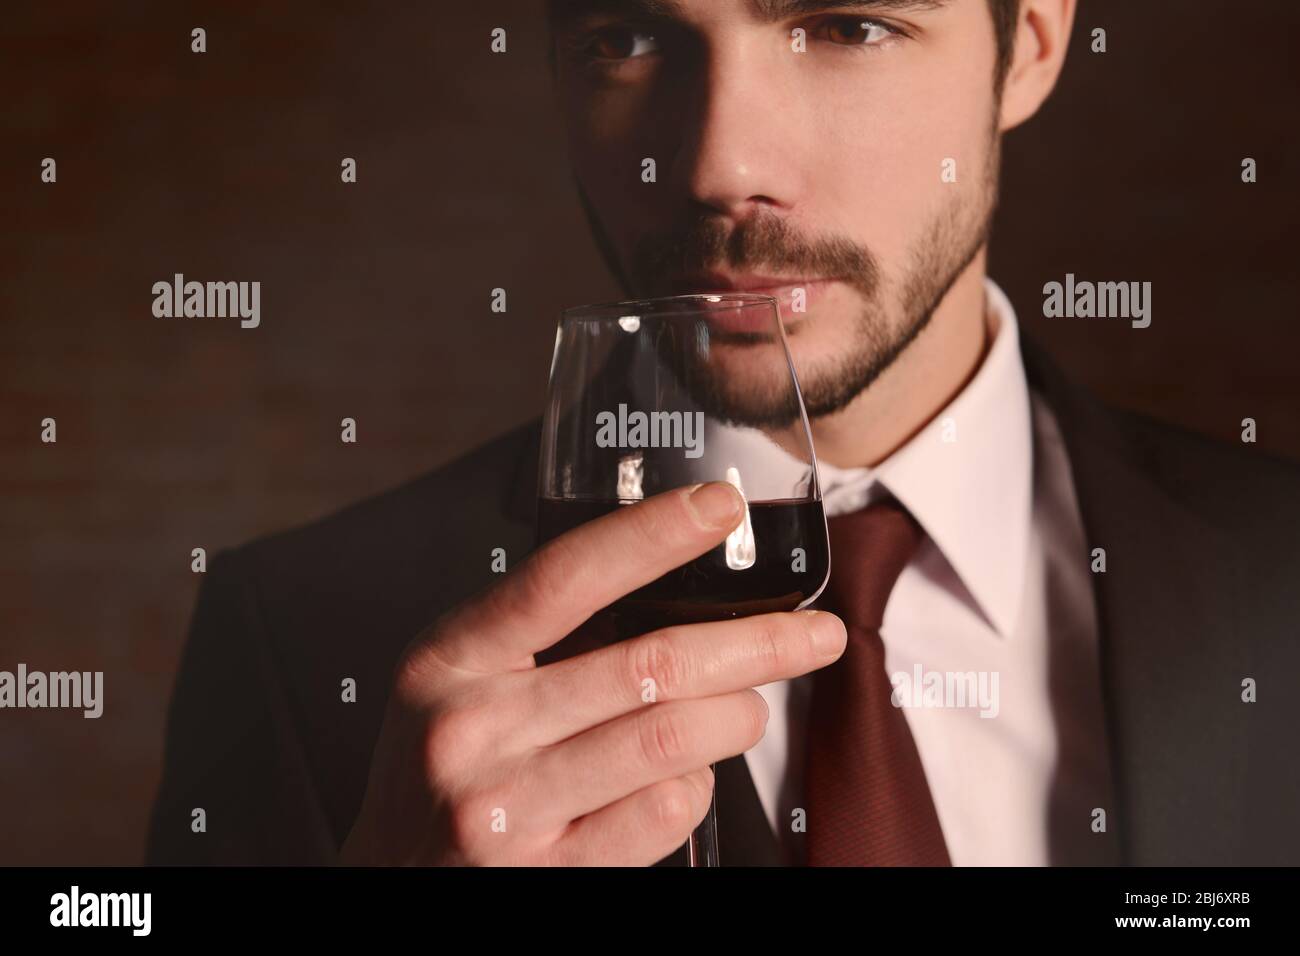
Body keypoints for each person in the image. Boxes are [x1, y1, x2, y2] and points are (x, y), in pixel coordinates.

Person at [146, 0, 1300, 866]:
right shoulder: (299, 639)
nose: (716, 167)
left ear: (1033, 41)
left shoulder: (1277, 574)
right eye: (627, 36)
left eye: (846, 25)